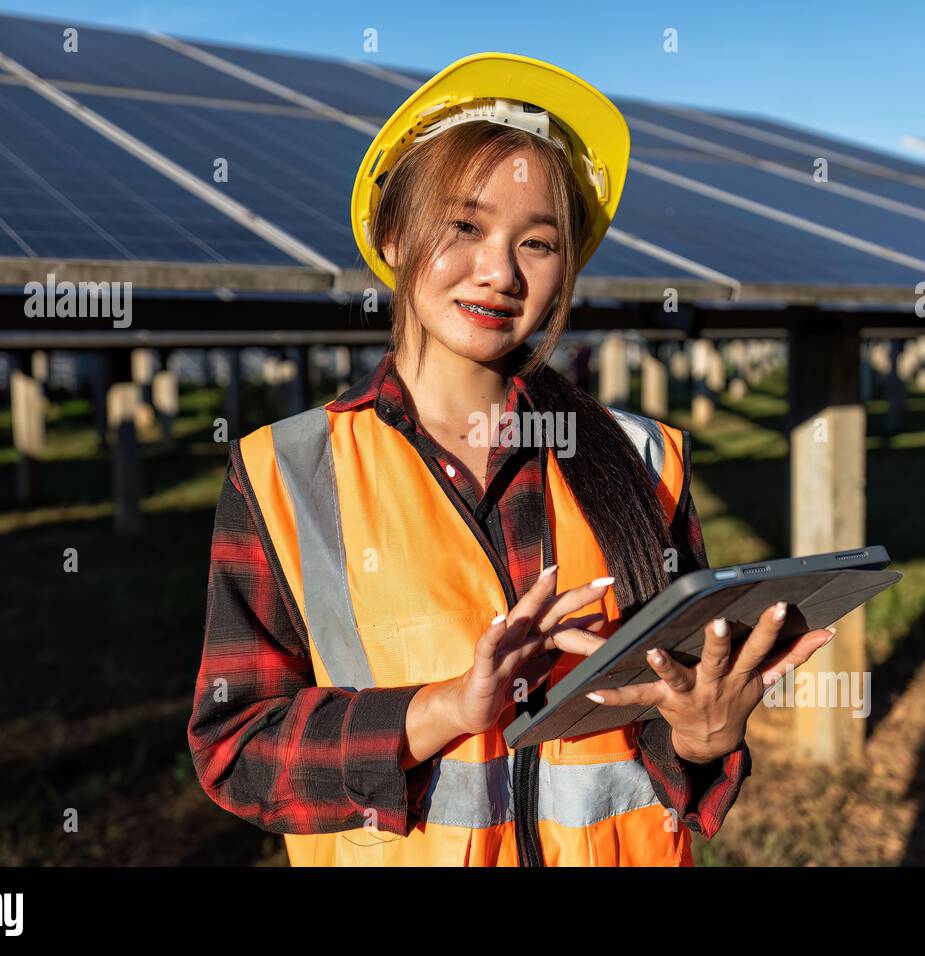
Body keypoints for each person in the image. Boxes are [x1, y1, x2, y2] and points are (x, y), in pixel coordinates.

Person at [187, 52, 835, 867]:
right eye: (464, 227)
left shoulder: (643, 459)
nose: (498, 272)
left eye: (537, 243)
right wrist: (444, 708)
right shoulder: (285, 471)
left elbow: (658, 736)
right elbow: (237, 748)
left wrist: (703, 739)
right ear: (394, 233)